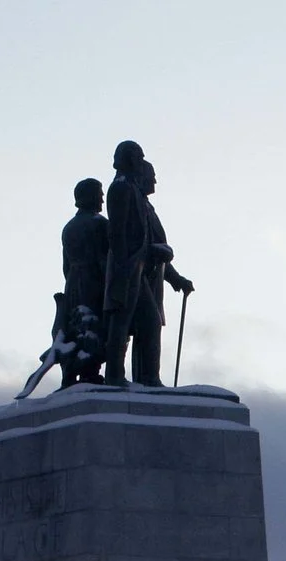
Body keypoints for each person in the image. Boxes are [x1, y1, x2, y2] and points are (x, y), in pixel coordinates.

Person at [102, 140, 194, 386]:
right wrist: (123, 268)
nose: (144, 165)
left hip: (139, 269)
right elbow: (117, 232)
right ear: (131, 159)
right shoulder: (121, 188)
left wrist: (176, 278)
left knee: (148, 322)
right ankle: (114, 376)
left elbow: (147, 240)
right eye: (140, 158)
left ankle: (149, 378)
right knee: (122, 321)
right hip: (127, 267)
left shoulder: (137, 195)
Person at [58, 177, 108, 387]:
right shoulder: (99, 224)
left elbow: (65, 265)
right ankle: (89, 370)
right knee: (93, 323)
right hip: (93, 281)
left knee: (74, 324)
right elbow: (104, 259)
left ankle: (71, 371)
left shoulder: (69, 227)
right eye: (99, 194)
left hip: (73, 282)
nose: (103, 199)